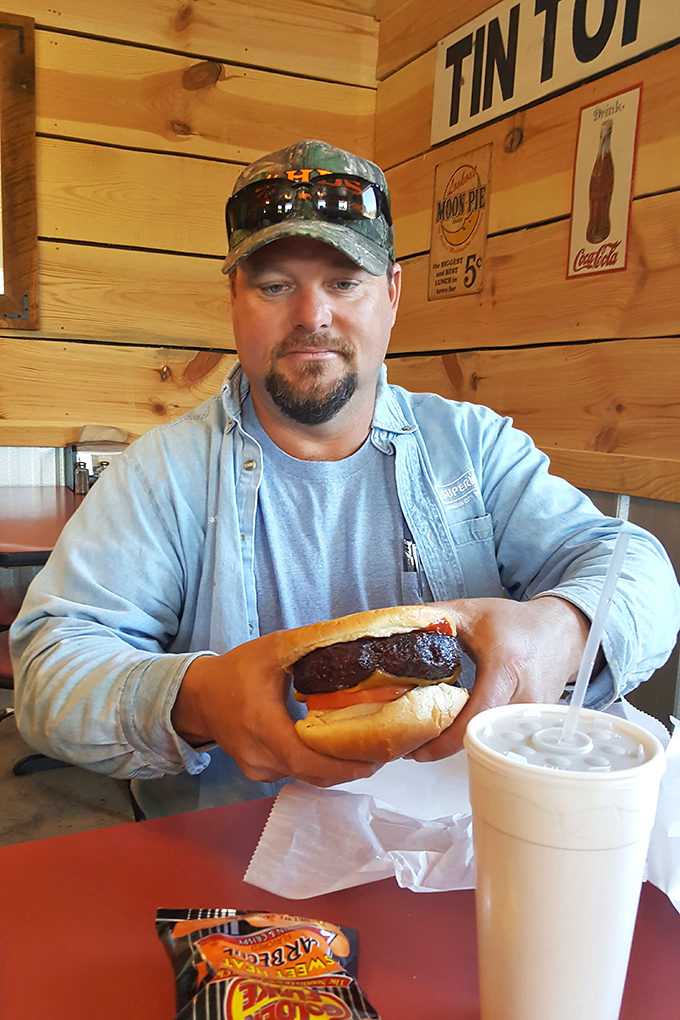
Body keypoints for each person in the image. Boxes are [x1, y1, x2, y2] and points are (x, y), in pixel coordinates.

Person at [10, 140, 680, 819]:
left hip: (470, 848)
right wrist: (199, 696)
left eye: (344, 281)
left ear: (390, 294)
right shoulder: (162, 475)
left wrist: (560, 628)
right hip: (226, 863)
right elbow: (48, 673)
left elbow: (638, 570)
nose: (312, 316)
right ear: (234, 300)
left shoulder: (473, 448)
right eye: (275, 285)